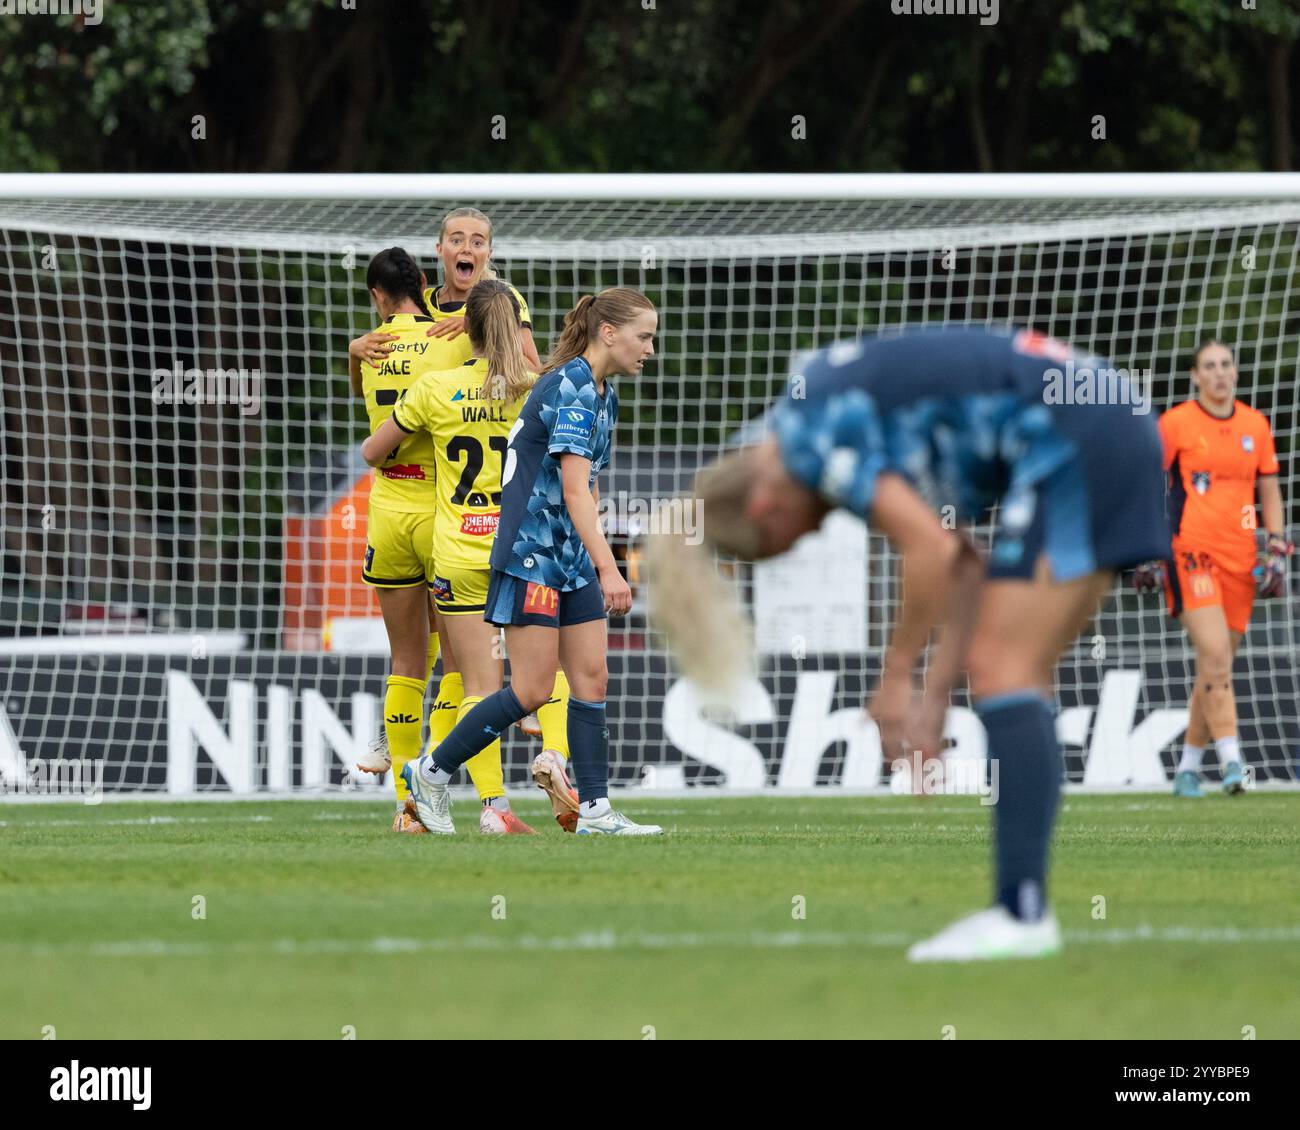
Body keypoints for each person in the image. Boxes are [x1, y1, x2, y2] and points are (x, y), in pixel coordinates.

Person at [648, 326, 1170, 961]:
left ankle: (1021, 914)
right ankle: (1021, 907)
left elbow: (929, 549)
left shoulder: (810, 437)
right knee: (1011, 671)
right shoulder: (817, 417)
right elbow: (964, 566)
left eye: (788, 541)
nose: (810, 536)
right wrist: (933, 702)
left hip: (1077, 435)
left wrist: (895, 681)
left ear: (763, 505)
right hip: (1106, 418)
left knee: (1008, 670)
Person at [399, 288, 664, 836]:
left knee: (592, 677)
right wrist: (610, 567)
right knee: (532, 691)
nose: (651, 349)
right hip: (530, 554)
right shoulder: (571, 387)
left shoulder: (602, 392)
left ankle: (594, 811)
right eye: (645, 336)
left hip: (567, 555)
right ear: (609, 333)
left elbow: (590, 484)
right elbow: (572, 490)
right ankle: (430, 772)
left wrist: (590, 561)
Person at [364, 279, 577, 833]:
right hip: (523, 549)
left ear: (466, 331)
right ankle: (553, 756)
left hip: (456, 549)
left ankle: (493, 807)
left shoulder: (435, 389)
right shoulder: (540, 389)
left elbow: (371, 451)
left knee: (476, 684)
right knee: (544, 669)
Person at [1133, 341, 1291, 797]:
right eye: (1210, 366)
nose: (1220, 373)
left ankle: (1187, 768)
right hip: (1189, 553)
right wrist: (1146, 545)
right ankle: (1234, 763)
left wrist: (1276, 546)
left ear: (1235, 374)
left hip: (1242, 558)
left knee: (1215, 666)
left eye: (1226, 365)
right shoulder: (1176, 424)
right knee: (1217, 654)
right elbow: (1147, 482)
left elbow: (1269, 488)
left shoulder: (1255, 425)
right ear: (1195, 377)